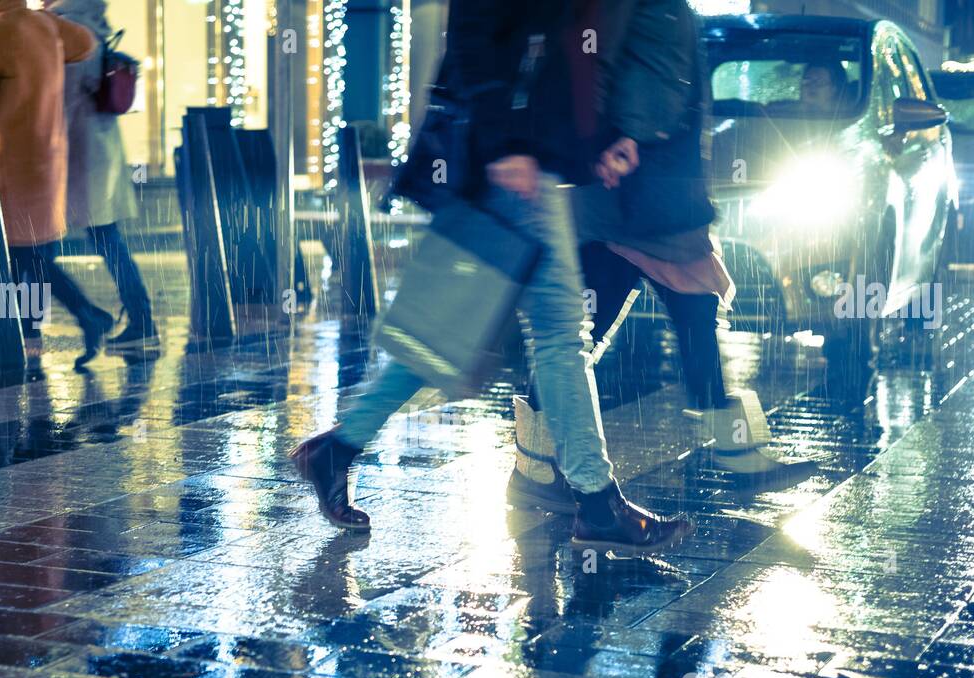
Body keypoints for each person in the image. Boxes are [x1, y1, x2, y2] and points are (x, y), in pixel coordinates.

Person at [290, 0, 694, 557]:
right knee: (556, 336)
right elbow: (475, 40)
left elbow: (569, 52)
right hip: (512, 166)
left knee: (459, 333)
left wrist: (599, 140)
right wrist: (505, 146)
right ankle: (598, 504)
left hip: (535, 163)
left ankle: (338, 448)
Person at [507, 0, 814, 514]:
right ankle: (735, 451)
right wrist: (608, 141)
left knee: (640, 317)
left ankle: (537, 463)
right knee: (609, 323)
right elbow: (591, 55)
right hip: (627, 188)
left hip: (655, 188)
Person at [0, 0, 113, 370]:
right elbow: (84, 43)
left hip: (7, 163)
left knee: (13, 254)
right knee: (31, 253)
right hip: (47, 157)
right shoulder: (44, 25)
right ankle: (15, 334)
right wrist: (45, 27)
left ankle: (82, 316)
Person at [50, 0, 157, 352]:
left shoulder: (66, 32)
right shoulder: (97, 29)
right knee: (107, 239)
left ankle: (135, 320)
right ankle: (139, 319)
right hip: (99, 150)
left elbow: (59, 97)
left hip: (77, 152)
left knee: (41, 242)